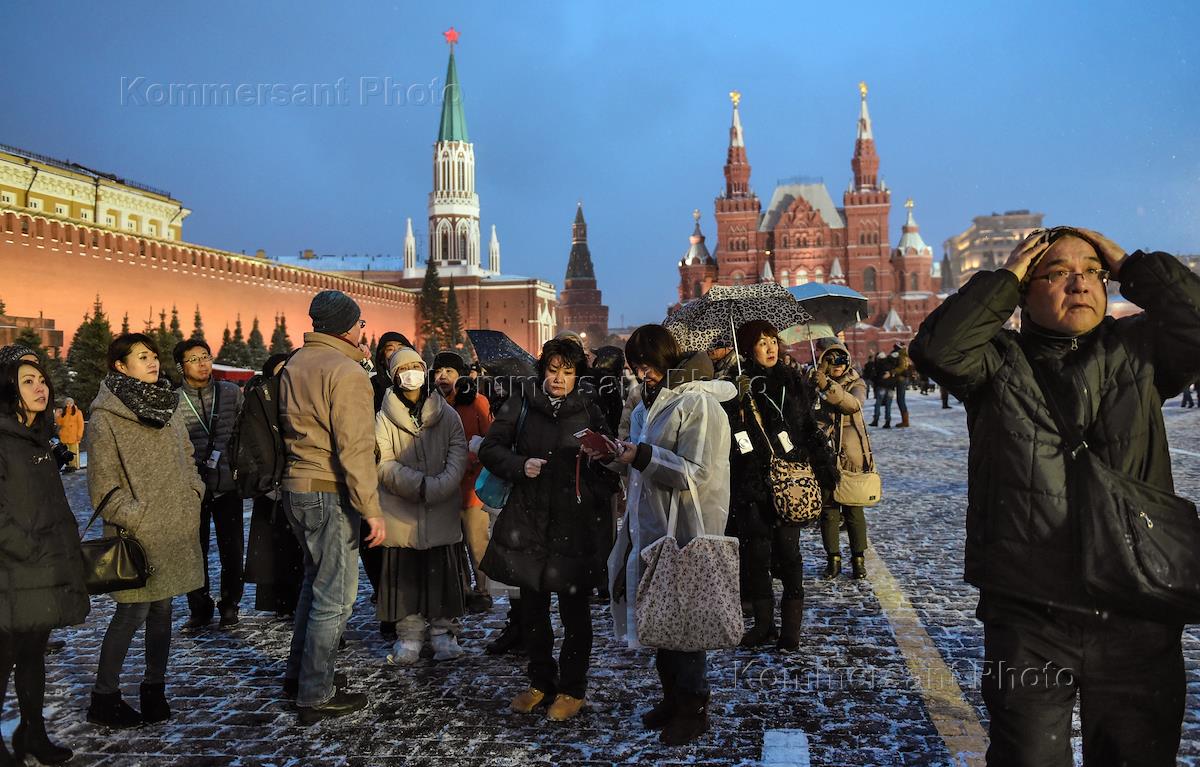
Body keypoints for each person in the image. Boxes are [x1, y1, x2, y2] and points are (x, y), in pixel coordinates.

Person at [910, 226, 1200, 766]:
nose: (1080, 283)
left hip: (1135, 605)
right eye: (1059, 272)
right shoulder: (996, 364)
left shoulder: (1139, 352)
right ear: (1026, 290)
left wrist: (1132, 263)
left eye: (1092, 271)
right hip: (1030, 615)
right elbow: (936, 349)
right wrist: (1004, 276)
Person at [601, 324, 734, 746]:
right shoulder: (646, 403)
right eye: (636, 367)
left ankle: (693, 707)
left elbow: (697, 472)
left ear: (666, 360)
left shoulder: (699, 404)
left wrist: (641, 455)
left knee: (686, 623)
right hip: (651, 524)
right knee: (660, 616)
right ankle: (671, 698)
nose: (643, 374)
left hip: (688, 526)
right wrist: (612, 455)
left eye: (648, 365)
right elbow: (640, 460)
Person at [479, 338, 617, 722]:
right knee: (533, 610)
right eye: (553, 370)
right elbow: (491, 448)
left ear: (578, 376)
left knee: (575, 613)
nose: (559, 379)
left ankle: (573, 688)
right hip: (529, 519)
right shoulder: (521, 403)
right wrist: (520, 464)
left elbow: (611, 458)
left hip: (574, 524)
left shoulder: (590, 406)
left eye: (568, 372)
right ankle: (540, 681)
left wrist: (597, 463)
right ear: (542, 371)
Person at [84, 333, 205, 728]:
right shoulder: (106, 416)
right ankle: (104, 697)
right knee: (131, 612)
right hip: (137, 533)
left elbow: (187, 453)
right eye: (141, 357)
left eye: (153, 356)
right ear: (120, 366)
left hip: (175, 524)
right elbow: (103, 486)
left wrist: (193, 491)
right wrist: (137, 516)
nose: (152, 362)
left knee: (165, 609)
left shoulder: (167, 404)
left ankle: (155, 688)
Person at [279, 291, 386, 724]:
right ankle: (315, 694)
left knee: (313, 584)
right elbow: (355, 448)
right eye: (360, 323)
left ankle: (300, 676)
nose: (365, 331)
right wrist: (371, 508)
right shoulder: (347, 371)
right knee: (336, 598)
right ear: (346, 326)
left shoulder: (296, 363)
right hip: (329, 488)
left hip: (296, 485)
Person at [722, 320, 838, 651]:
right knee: (756, 556)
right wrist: (736, 405)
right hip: (753, 484)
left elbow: (805, 425)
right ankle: (763, 626)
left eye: (773, 340)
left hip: (789, 479)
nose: (771, 347)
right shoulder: (735, 386)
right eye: (762, 342)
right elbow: (731, 436)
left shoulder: (791, 381)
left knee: (790, 555)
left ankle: (790, 630)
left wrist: (822, 465)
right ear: (748, 348)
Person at [0, 359, 89, 764]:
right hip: (12, 568)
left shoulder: (37, 437)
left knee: (33, 656)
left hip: (39, 568)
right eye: (27, 381)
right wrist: (26, 547)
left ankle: (32, 733)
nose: (40, 388)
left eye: (42, 381)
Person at [376, 348, 468, 664]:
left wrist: (440, 485)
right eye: (405, 367)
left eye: (417, 366)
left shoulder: (447, 415)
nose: (412, 372)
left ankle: (444, 632)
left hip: (441, 509)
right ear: (394, 374)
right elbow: (383, 462)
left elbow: (459, 452)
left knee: (441, 575)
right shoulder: (382, 417)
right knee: (406, 578)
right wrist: (418, 485)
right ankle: (409, 635)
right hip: (401, 511)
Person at [173, 338, 246, 630]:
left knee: (232, 549)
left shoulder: (230, 393)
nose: (202, 363)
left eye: (205, 356)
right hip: (192, 488)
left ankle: (230, 605)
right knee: (194, 550)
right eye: (194, 359)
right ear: (181, 366)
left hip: (228, 484)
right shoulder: (175, 400)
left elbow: (243, 432)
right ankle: (199, 607)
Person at [431, 351, 494, 614]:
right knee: (451, 547)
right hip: (443, 488)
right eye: (438, 371)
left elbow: (490, 439)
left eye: (450, 371)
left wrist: (468, 458)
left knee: (476, 543)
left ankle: (483, 591)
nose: (443, 376)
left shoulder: (476, 402)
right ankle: (462, 589)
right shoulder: (430, 405)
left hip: (471, 487)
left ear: (462, 376)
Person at [243, 353, 305, 619]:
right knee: (274, 550)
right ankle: (280, 601)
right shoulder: (260, 402)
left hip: (298, 484)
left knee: (298, 550)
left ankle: (298, 599)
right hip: (270, 488)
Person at [812, 340, 872, 579]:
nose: (836, 364)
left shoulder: (857, 383)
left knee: (854, 510)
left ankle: (858, 559)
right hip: (825, 455)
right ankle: (833, 559)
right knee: (828, 511)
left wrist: (828, 385)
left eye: (840, 359)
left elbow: (852, 405)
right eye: (830, 359)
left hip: (850, 454)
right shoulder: (816, 382)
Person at [54, 397, 84, 472]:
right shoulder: (63, 413)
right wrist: (57, 416)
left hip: (74, 436)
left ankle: (73, 466)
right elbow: (59, 423)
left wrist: (79, 435)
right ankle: (68, 466)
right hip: (64, 437)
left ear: (73, 403)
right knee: (66, 453)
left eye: (70, 403)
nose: (69, 405)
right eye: (67, 403)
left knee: (73, 452)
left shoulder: (78, 412)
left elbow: (81, 425)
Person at [868, 352, 893, 428]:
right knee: (888, 405)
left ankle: (876, 420)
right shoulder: (891, 364)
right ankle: (887, 422)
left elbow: (873, 375)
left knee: (878, 404)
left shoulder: (878, 364)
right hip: (891, 387)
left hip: (881, 386)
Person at [891, 343, 913, 428]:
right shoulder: (903, 355)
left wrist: (892, 371)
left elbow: (902, 367)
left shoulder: (901, 356)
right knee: (900, 399)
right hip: (901, 379)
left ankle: (905, 421)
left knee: (900, 400)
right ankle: (904, 420)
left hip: (901, 379)